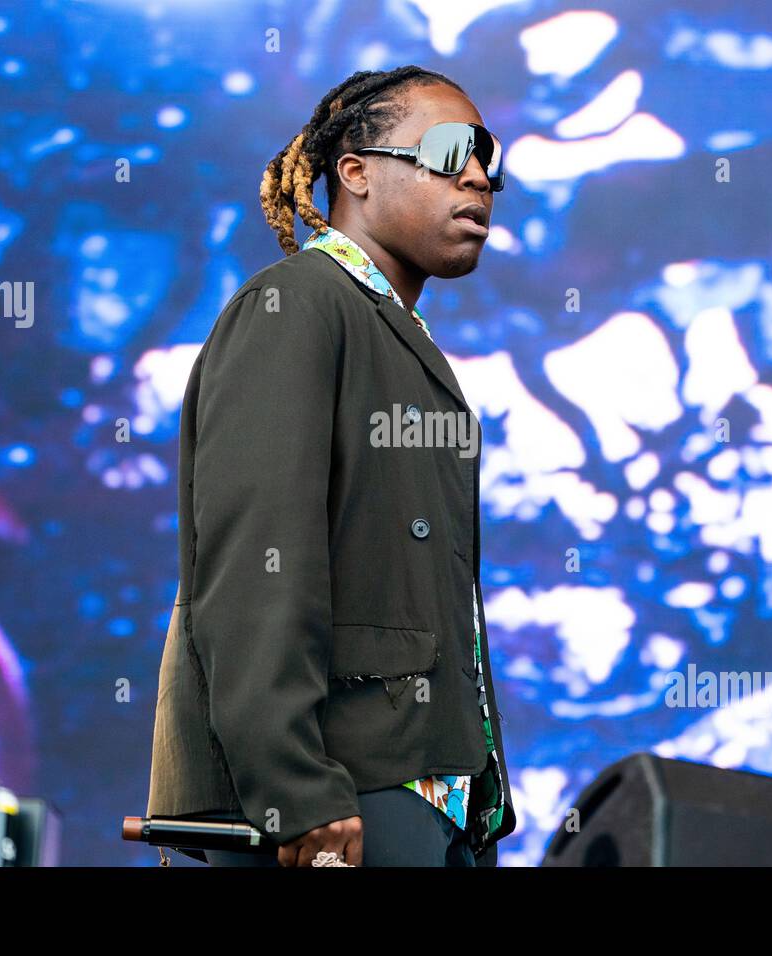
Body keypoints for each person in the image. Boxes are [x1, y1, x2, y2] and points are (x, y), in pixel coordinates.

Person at [146, 65, 516, 867]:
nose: (481, 175)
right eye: (453, 149)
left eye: (489, 156)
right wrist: (294, 786)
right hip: (337, 805)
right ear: (356, 172)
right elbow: (253, 566)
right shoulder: (298, 307)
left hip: (424, 802)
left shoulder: (386, 331)